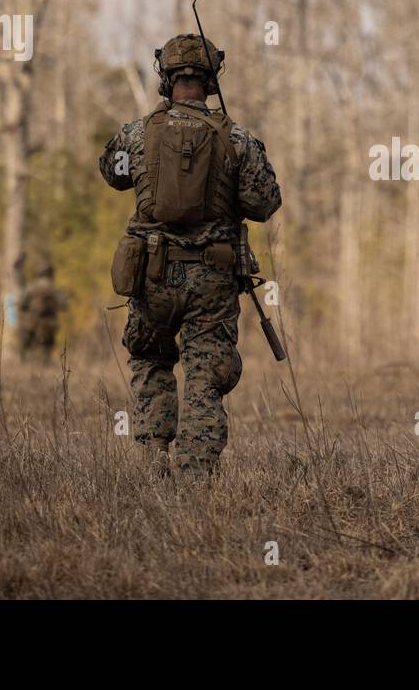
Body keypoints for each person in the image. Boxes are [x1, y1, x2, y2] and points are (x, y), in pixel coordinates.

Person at [99, 34, 281, 477]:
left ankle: (153, 459)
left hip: (153, 275)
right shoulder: (236, 137)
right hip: (213, 277)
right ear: (212, 79)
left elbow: (110, 172)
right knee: (206, 369)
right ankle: (197, 474)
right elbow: (264, 203)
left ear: (165, 78)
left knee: (152, 358)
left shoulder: (136, 134)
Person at [18, 259, 67, 360]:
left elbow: (23, 305)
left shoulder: (30, 288)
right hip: (49, 323)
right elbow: (63, 306)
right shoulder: (55, 289)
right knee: (47, 348)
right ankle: (45, 364)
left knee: (26, 346)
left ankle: (26, 365)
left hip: (32, 322)